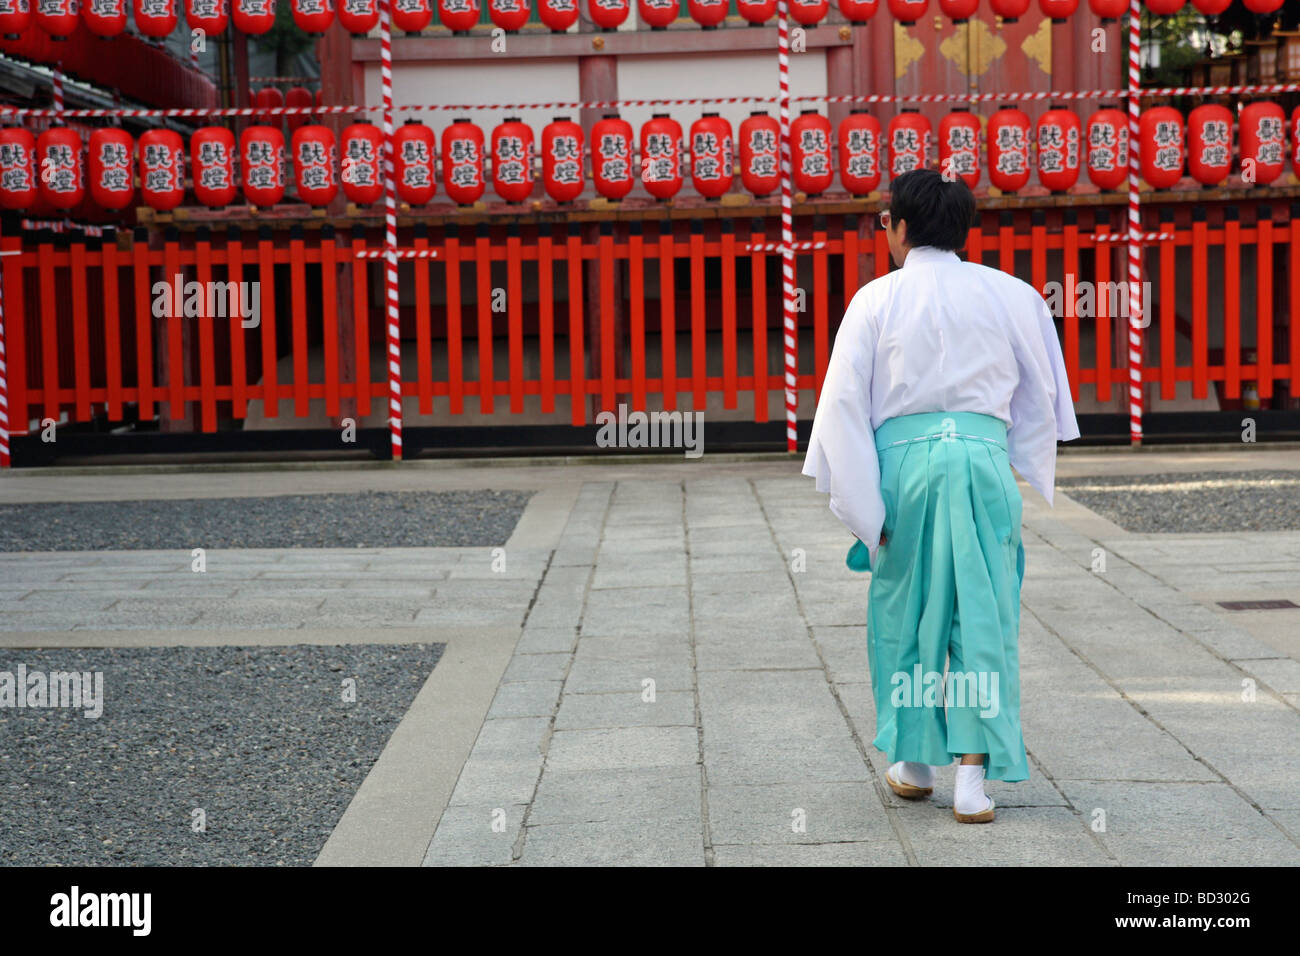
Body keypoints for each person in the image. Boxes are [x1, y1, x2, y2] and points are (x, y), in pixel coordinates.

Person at [801, 168, 1080, 823]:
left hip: (908, 469)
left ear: (898, 228)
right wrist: (1015, 459)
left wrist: (864, 514)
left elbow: (843, 405)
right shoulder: (1013, 295)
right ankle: (973, 783)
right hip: (982, 466)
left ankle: (915, 760)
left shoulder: (876, 300)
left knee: (906, 616)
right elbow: (1042, 399)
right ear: (961, 229)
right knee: (983, 614)